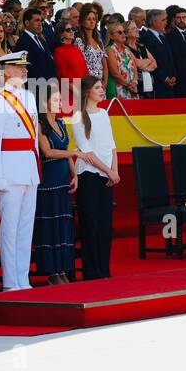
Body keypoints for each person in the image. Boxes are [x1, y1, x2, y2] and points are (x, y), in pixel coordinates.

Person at [0, 51, 41, 292]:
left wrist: (35, 169)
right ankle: (10, 282)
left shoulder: (29, 97)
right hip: (9, 171)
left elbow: (34, 138)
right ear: (6, 71)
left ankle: (22, 278)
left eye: (25, 66)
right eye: (19, 67)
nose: (25, 70)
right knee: (10, 228)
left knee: (26, 227)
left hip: (28, 168)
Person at [69, 75, 117, 281]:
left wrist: (114, 171)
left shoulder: (104, 113)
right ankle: (92, 272)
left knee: (105, 225)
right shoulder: (78, 116)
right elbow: (87, 152)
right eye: (97, 87)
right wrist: (109, 170)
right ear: (87, 91)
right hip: (89, 176)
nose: (101, 90)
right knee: (91, 224)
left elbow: (112, 145)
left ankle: (104, 270)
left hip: (107, 175)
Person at [35, 87, 81, 284]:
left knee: (63, 226)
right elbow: (48, 152)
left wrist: (75, 175)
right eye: (56, 100)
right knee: (50, 227)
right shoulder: (40, 124)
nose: (60, 103)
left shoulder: (61, 124)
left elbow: (65, 151)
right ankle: (52, 272)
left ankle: (63, 269)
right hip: (49, 182)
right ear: (45, 103)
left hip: (63, 181)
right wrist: (74, 153)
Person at [141, 9, 177, 98]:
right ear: (154, 22)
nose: (166, 23)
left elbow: (170, 58)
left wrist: (173, 76)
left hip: (170, 84)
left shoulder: (163, 37)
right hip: (158, 85)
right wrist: (164, 78)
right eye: (163, 20)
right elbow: (151, 61)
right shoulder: (146, 38)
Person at [103, 21, 138, 101]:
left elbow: (135, 68)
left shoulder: (127, 49)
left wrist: (134, 82)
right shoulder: (109, 50)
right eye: (119, 32)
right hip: (117, 88)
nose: (123, 34)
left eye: (124, 32)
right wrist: (129, 85)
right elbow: (115, 73)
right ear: (111, 36)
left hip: (131, 88)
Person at [75, 4, 106, 82]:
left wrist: (105, 82)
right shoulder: (79, 41)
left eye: (94, 19)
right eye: (88, 19)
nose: (92, 21)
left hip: (101, 83)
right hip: (88, 83)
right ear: (82, 22)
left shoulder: (98, 40)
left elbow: (104, 64)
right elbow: (80, 65)